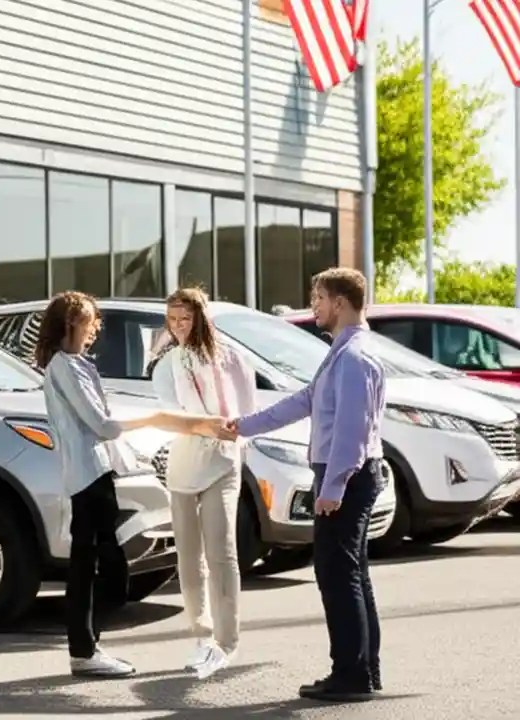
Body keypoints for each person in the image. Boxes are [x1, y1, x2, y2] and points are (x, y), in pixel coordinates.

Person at [35, 291, 223, 679]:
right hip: (87, 476)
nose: (94, 330)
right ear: (71, 323)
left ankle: (86, 647)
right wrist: (152, 418)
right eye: (89, 322)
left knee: (97, 567)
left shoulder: (73, 365)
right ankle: (83, 649)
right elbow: (101, 425)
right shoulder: (64, 368)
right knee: (101, 570)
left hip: (96, 474)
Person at [220, 268, 386, 702]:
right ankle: (363, 670)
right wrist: (244, 426)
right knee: (352, 574)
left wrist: (332, 488)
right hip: (345, 474)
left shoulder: (353, 357)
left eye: (319, 297)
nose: (314, 305)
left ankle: (351, 676)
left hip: (344, 477)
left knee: (337, 575)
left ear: (341, 303)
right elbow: (303, 402)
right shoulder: (342, 353)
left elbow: (352, 431)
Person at [148, 287, 257, 679]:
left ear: (202, 318)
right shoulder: (167, 364)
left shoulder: (231, 358)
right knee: (188, 557)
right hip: (185, 461)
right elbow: (172, 414)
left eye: (186, 319)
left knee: (221, 550)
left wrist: (234, 441)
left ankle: (226, 641)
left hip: (223, 459)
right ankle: (201, 634)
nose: (178, 327)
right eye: (172, 320)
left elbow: (247, 413)